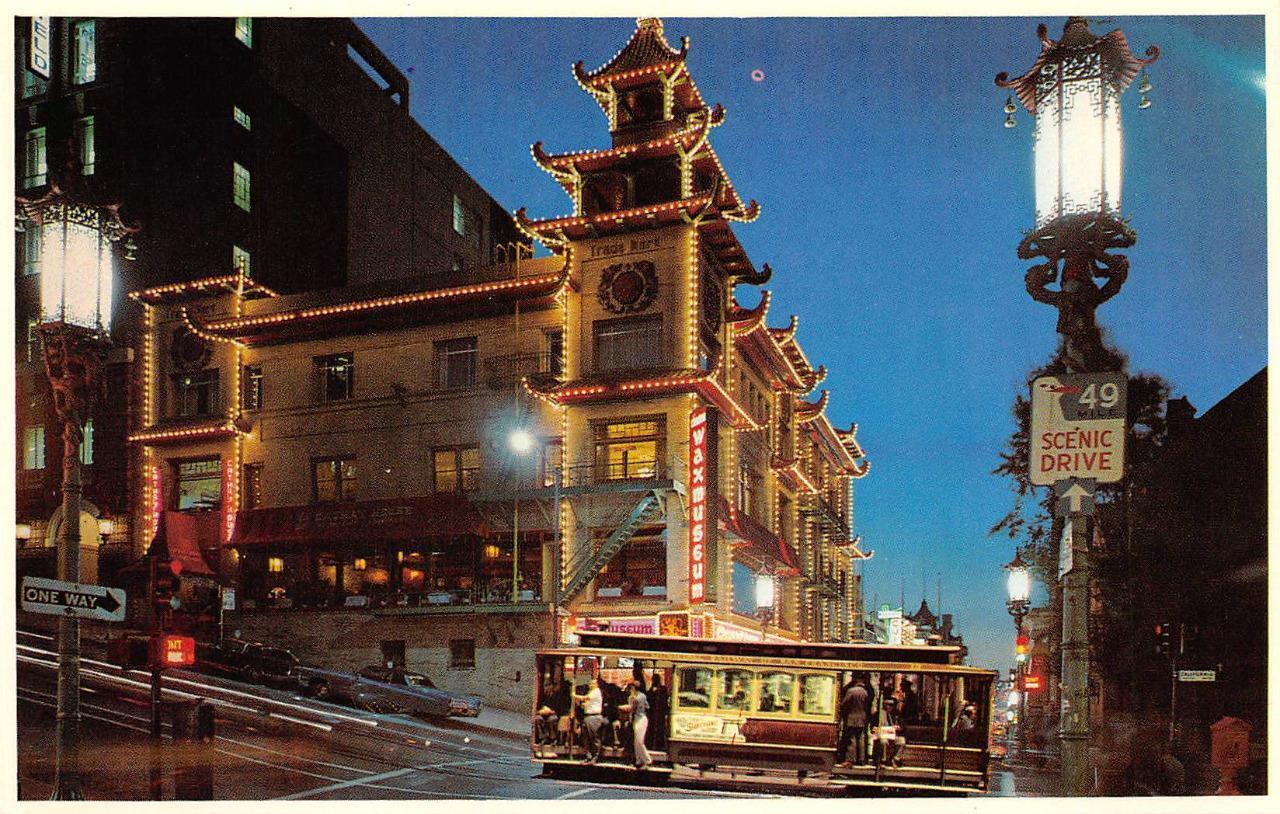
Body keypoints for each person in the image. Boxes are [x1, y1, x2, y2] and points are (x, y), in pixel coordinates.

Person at [837, 678, 869, 767]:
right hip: (862, 718)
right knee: (861, 738)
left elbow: (845, 703)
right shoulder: (865, 692)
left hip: (851, 718)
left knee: (852, 739)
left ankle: (851, 759)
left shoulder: (851, 691)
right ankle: (861, 759)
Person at [574, 679, 605, 764]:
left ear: (596, 685)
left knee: (594, 738)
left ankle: (595, 757)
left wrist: (574, 695)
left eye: (592, 684)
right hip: (588, 716)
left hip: (594, 717)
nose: (590, 685)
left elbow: (585, 698)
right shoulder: (591, 692)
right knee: (586, 738)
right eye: (590, 684)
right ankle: (588, 756)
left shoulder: (596, 692)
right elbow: (587, 704)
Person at [629, 679, 653, 769]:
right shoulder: (643, 696)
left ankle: (647, 760)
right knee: (636, 742)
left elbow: (631, 709)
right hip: (641, 718)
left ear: (634, 688)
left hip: (640, 719)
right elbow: (647, 706)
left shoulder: (637, 698)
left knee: (639, 741)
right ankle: (638, 761)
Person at [876, 697, 908, 767]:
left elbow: (903, 726)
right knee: (883, 741)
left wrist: (899, 727)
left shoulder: (897, 714)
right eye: (888, 705)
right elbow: (873, 727)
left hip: (894, 735)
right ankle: (883, 761)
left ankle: (895, 759)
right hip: (883, 734)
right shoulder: (879, 714)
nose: (890, 707)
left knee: (902, 741)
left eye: (892, 705)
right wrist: (880, 729)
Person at [646, 673, 668, 750]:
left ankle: (659, 745)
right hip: (652, 713)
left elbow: (664, 700)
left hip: (660, 713)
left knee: (660, 729)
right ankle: (651, 744)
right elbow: (649, 699)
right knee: (651, 728)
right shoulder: (650, 690)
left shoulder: (663, 689)